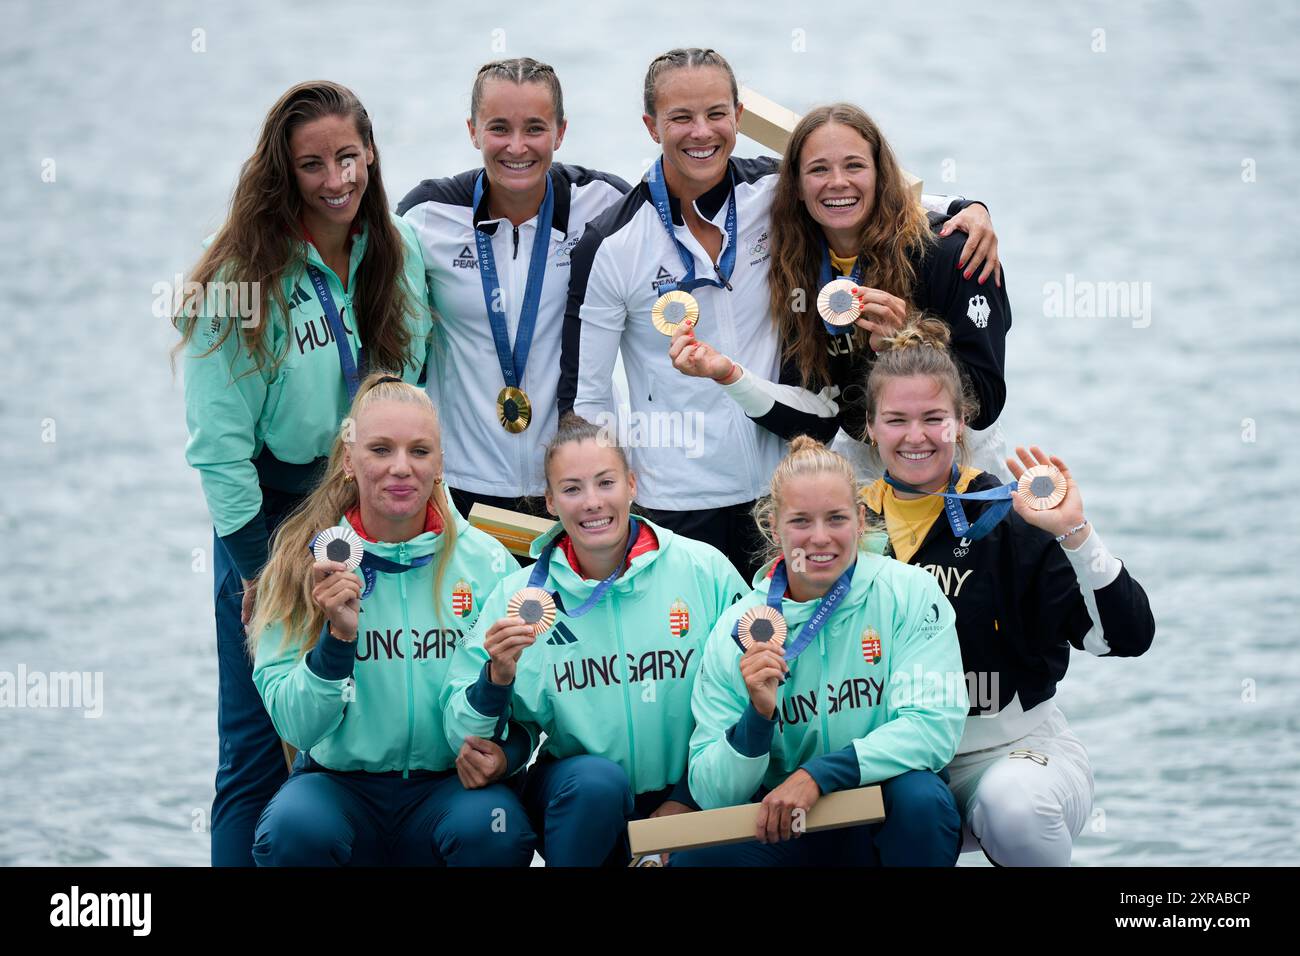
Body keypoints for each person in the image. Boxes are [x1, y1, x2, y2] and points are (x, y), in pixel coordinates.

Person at [560, 48, 997, 579]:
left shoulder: (772, 191)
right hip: (675, 498)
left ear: (739, 118)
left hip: (786, 486)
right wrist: (601, 500)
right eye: (681, 117)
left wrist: (965, 208)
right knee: (696, 655)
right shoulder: (610, 244)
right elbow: (588, 397)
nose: (702, 132)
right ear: (652, 126)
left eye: (717, 114)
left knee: (787, 650)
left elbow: (859, 190)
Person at [173, 80, 433, 866]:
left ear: (371, 154)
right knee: (257, 746)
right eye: (313, 164)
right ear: (284, 172)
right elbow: (217, 449)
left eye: (348, 158)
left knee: (371, 731)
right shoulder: (239, 280)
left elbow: (416, 386)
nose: (336, 180)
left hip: (377, 507)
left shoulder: (397, 246)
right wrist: (256, 569)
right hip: (275, 517)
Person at [859, 318, 1155, 865]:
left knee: (1012, 808)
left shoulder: (1010, 517)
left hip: (1008, 754)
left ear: (962, 422)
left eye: (934, 419)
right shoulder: (846, 524)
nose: (916, 436)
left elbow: (1128, 637)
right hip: (889, 764)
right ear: (871, 427)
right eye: (896, 420)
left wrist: (1075, 533)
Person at [249, 374, 535, 866]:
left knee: (497, 829)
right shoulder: (301, 561)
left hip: (449, 788)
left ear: (441, 464)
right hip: (340, 787)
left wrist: (508, 754)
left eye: (419, 451)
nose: (400, 469)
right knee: (293, 829)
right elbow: (296, 726)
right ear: (347, 460)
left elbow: (536, 707)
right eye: (380, 450)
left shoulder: (489, 564)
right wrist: (336, 640)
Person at [442, 415, 748, 865]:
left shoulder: (705, 570)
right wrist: (496, 679)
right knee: (595, 782)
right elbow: (463, 730)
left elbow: (749, 692)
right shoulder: (520, 595)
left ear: (632, 485)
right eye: (571, 489)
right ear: (549, 501)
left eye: (606, 483)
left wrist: (688, 795)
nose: (591, 502)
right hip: (583, 795)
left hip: (695, 788)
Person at [669, 101, 1012, 480]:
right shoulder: (788, 264)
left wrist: (910, 347)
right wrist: (728, 375)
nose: (837, 182)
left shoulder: (952, 254)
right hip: (869, 483)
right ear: (796, 186)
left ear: (881, 176)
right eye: (818, 169)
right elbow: (821, 417)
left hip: (962, 474)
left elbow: (987, 402)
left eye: (854, 166)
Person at [673, 436, 969, 866]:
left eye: (836, 518)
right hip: (789, 826)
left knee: (922, 798)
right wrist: (755, 720)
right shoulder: (736, 628)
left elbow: (934, 728)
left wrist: (819, 773)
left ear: (860, 519)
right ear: (773, 527)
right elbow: (711, 791)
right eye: (800, 522)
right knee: (696, 861)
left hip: (881, 814)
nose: (819, 538)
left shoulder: (909, 593)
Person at [398, 58, 630, 522]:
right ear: (473, 130)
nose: (517, 147)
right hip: (464, 485)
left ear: (561, 132)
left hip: (578, 484)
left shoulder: (606, 203)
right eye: (499, 128)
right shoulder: (426, 215)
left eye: (535, 128)